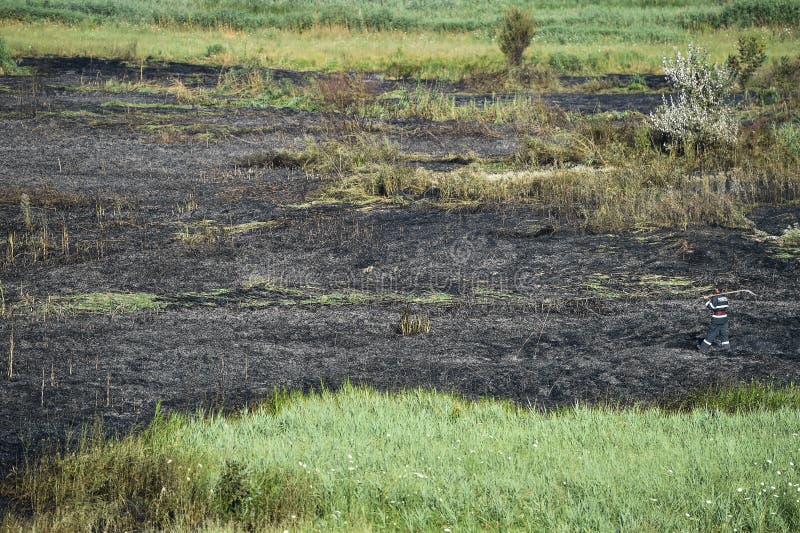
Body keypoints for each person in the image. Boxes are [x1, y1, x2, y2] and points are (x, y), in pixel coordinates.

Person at [699, 287, 730, 352]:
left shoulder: (715, 298)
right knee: (724, 333)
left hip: (717, 318)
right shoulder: (725, 297)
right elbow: (726, 306)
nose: (714, 290)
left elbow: (711, 307)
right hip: (724, 318)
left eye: (715, 288)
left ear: (717, 289)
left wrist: (706, 300)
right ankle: (726, 347)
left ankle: (703, 348)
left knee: (712, 333)